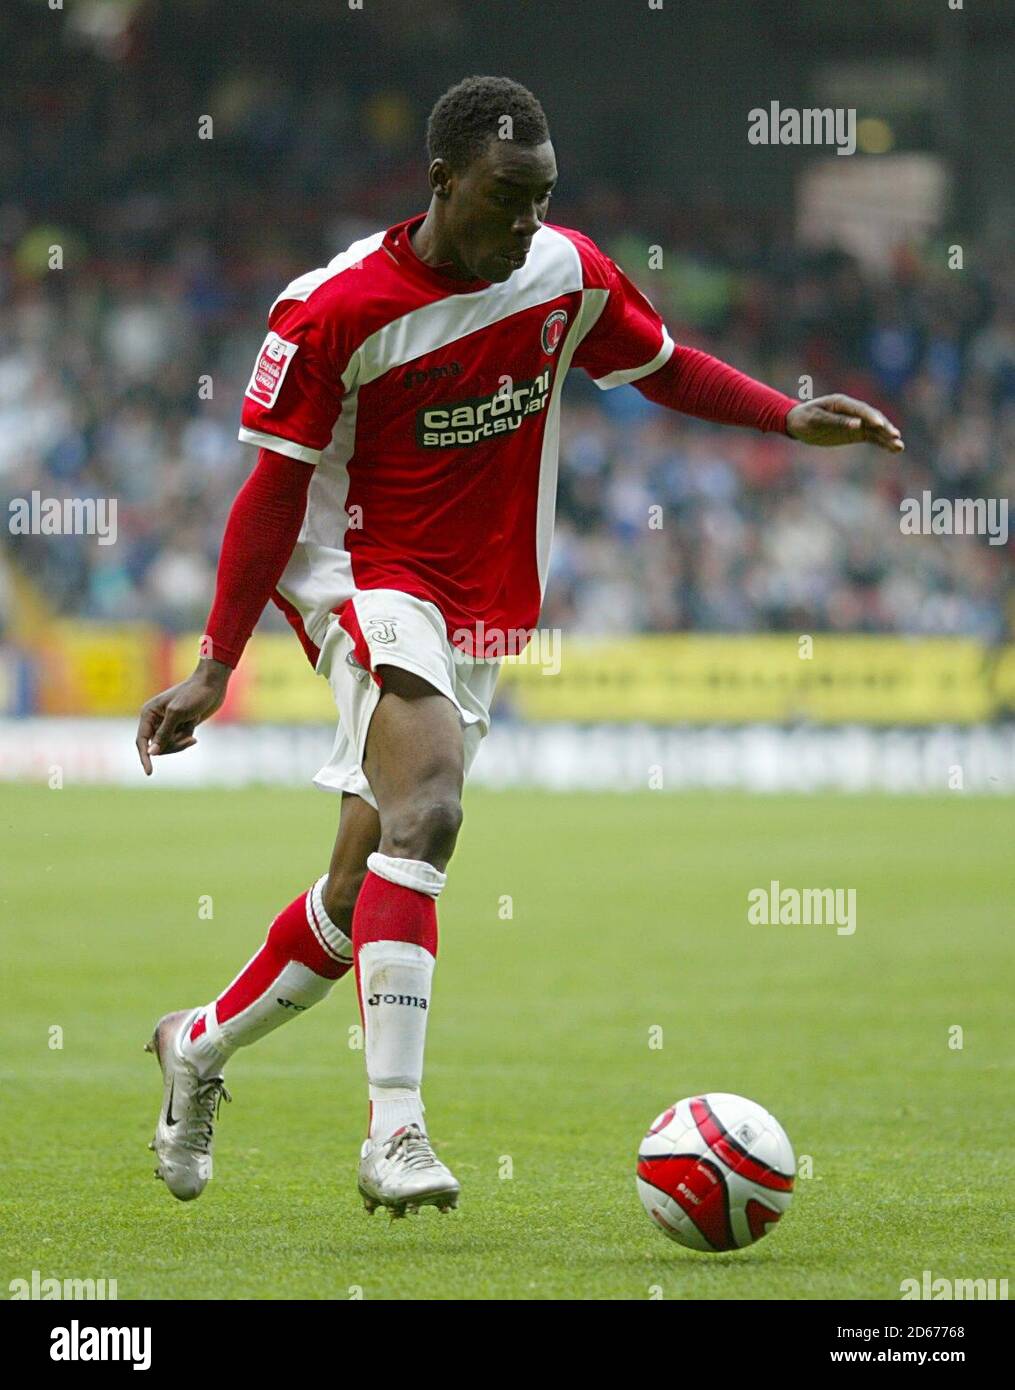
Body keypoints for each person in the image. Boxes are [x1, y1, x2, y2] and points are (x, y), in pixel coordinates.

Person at [135, 75, 904, 1216]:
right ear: (442, 182)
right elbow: (269, 490)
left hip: (482, 603)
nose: (525, 224)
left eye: (542, 199)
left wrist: (783, 415)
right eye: (504, 199)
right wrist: (215, 658)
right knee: (430, 810)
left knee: (358, 893)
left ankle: (196, 1046)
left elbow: (659, 363)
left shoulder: (561, 270)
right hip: (356, 570)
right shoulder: (331, 308)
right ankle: (394, 1132)